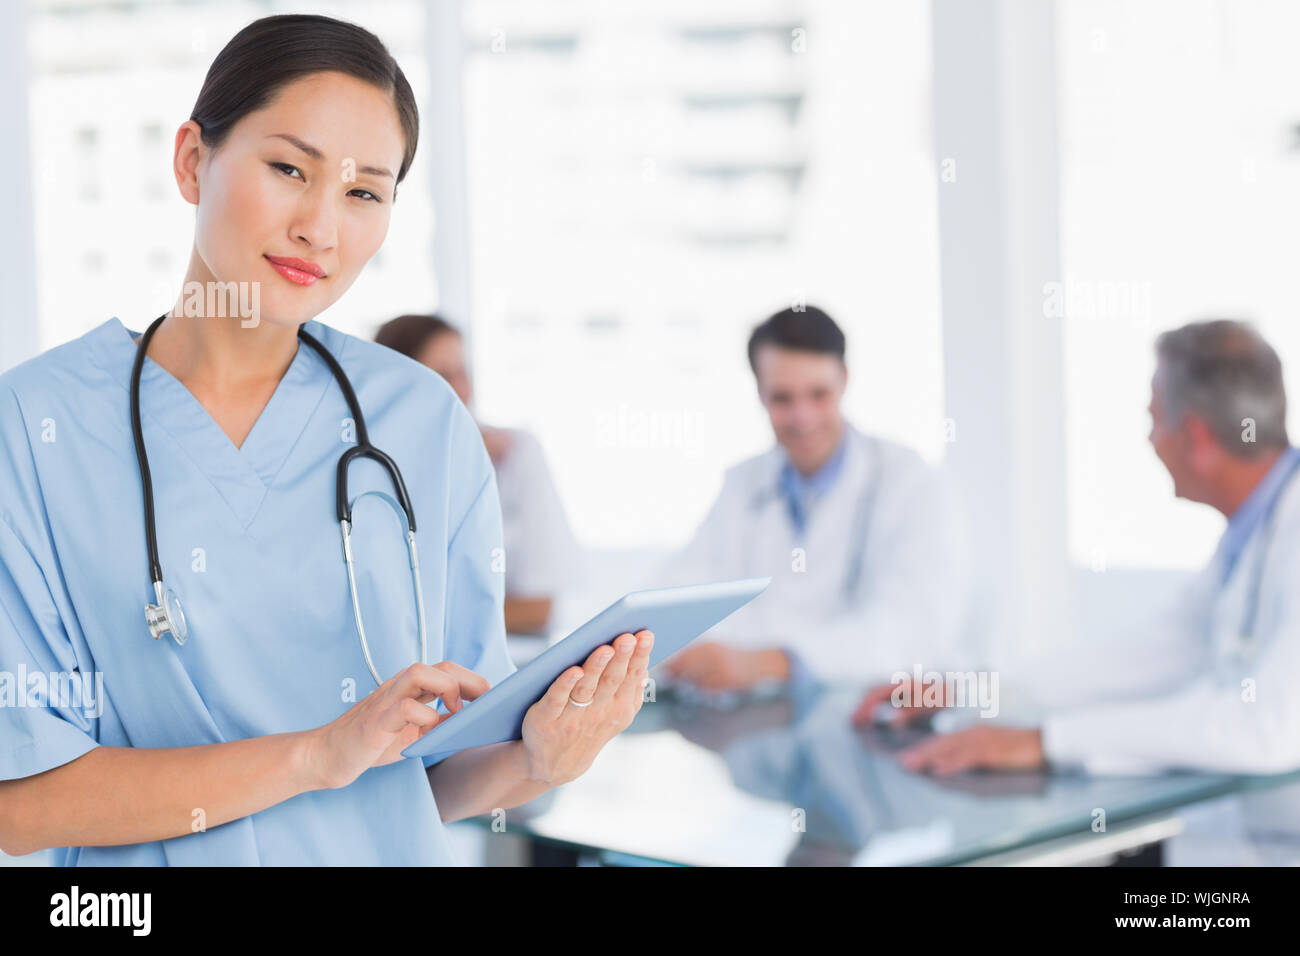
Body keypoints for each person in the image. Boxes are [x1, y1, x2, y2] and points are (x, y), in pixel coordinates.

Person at [0, 14, 651, 866]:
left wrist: (538, 759)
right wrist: (316, 756)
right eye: (287, 169)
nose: (320, 228)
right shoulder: (36, 427)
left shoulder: (422, 424)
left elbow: (434, 775)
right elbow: (21, 804)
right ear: (192, 160)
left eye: (363, 192)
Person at [861, 319, 1300, 856]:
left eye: (1154, 420)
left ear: (1199, 437)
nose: (1149, 439)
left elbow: (1269, 727)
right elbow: (1143, 658)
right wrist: (967, 693)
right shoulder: (1253, 536)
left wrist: (1049, 743)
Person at [658, 305, 973, 693]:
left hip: (874, 715)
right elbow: (678, 593)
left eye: (818, 394)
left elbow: (912, 629)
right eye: (782, 398)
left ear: (844, 381)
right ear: (759, 392)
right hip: (762, 722)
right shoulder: (744, 484)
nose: (802, 417)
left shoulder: (910, 482)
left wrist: (773, 662)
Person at [374, 314, 581, 635]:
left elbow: (538, 609)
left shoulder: (514, 453)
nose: (463, 390)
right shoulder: (368, 471)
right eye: (443, 375)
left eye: (463, 373)